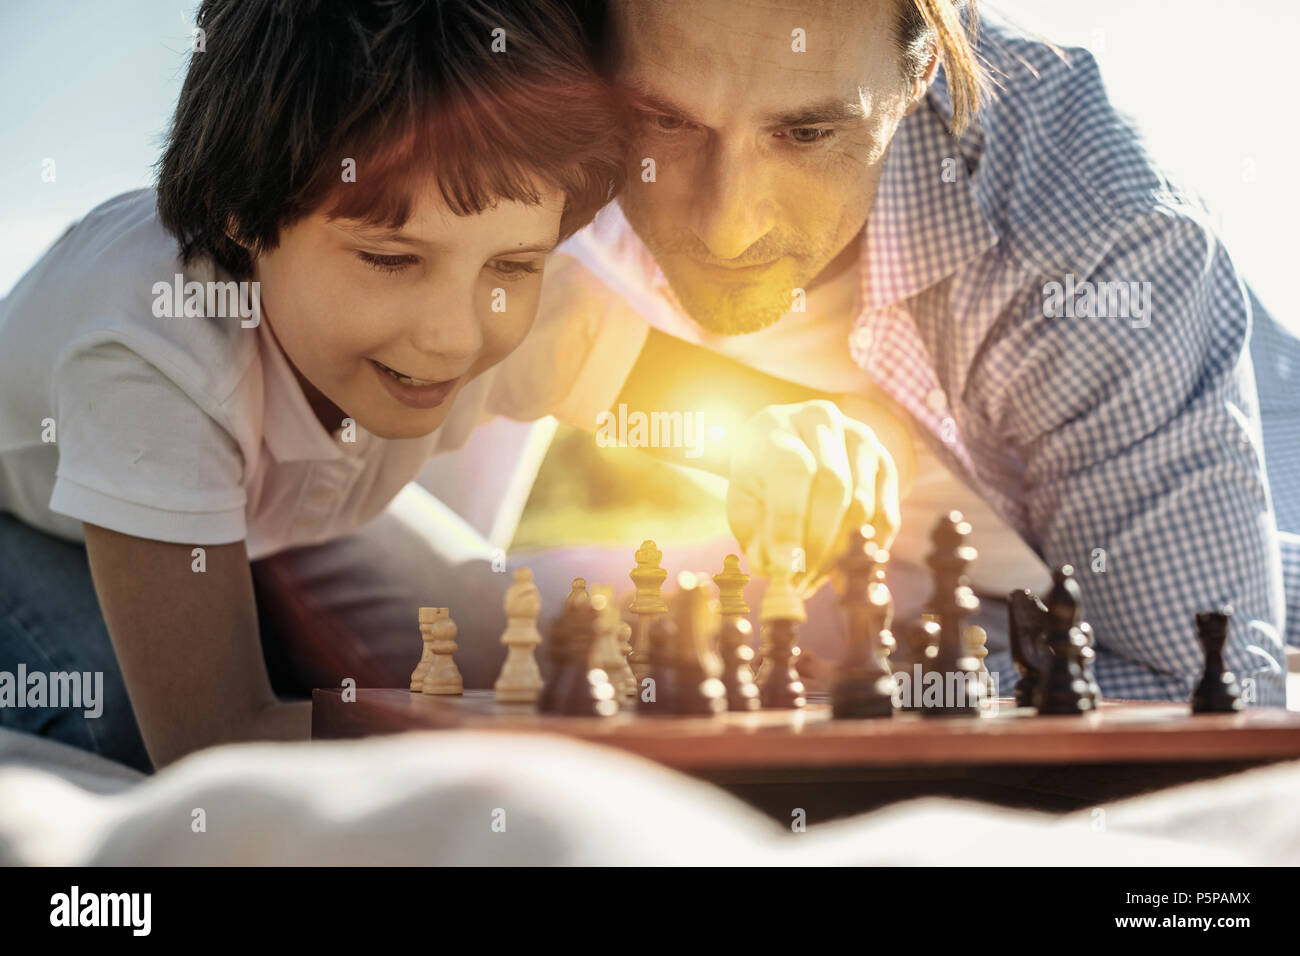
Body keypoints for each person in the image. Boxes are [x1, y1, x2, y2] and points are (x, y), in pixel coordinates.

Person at [507, 0, 1300, 703]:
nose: (726, 228)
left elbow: (1197, 697)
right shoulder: (522, 93)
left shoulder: (1101, 248)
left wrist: (862, 691)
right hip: (862, 593)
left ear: (921, 73)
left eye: (808, 132)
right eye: (666, 119)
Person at [0, 0, 629, 770]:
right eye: (392, 260)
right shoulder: (150, 359)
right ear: (238, 213)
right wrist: (512, 733)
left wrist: (783, 449)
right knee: (124, 734)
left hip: (262, 514)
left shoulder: (517, 290)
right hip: (28, 524)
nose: (454, 340)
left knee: (483, 643)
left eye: (513, 265)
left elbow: (728, 415)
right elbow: (213, 740)